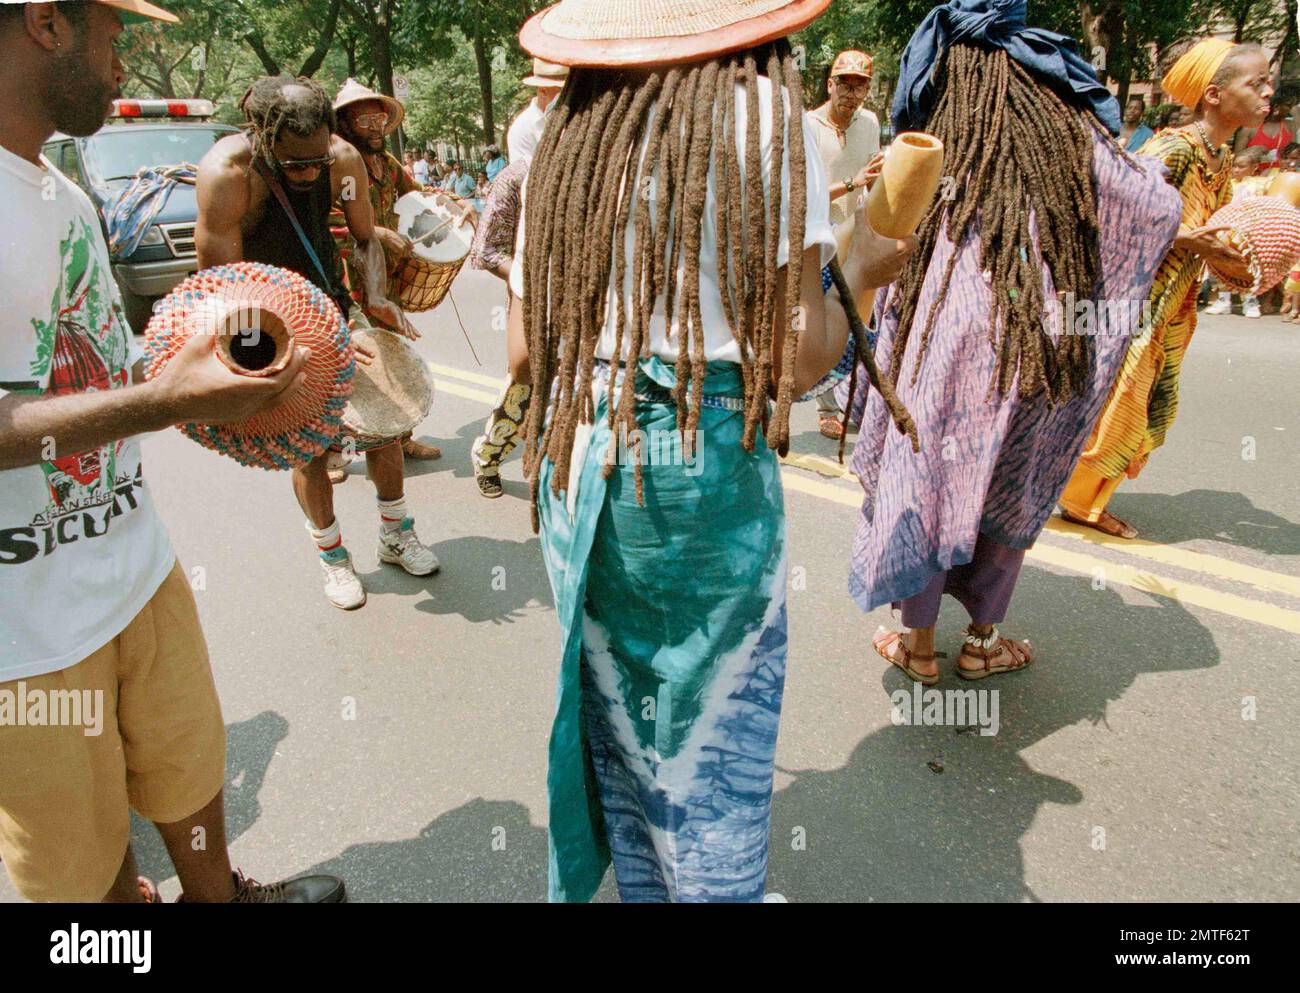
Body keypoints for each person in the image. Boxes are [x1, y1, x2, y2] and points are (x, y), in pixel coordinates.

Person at [511, 0, 915, 902]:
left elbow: (523, 353)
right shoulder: (766, 118)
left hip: (580, 453)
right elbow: (796, 362)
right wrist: (861, 268)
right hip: (698, 467)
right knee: (707, 735)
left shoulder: (565, 123)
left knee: (623, 709)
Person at [0, 0, 344, 904]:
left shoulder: (58, 188)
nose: (125, 62)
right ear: (46, 22)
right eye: (115, 35)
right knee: (80, 859)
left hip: (136, 565)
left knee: (186, 771)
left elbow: (108, 367)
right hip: (25, 634)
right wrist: (165, 399)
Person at [852, 0, 1183, 686]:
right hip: (1046, 343)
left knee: (932, 480)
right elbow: (1152, 207)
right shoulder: (1071, 132)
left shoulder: (943, 139)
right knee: (1013, 480)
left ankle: (917, 648)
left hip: (945, 343)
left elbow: (883, 242)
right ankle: (982, 642)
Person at [196, 76, 440, 610]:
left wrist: (375, 298)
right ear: (259, 135)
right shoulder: (226, 173)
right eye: (294, 165)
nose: (310, 172)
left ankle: (396, 534)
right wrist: (302, 340)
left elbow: (364, 238)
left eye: (316, 161)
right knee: (309, 447)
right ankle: (333, 557)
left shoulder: (343, 158)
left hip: (333, 297)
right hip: (263, 316)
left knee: (386, 424)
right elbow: (225, 287)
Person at [1060, 38, 1272, 539]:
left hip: (1171, 305)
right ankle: (1078, 501)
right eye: (1255, 83)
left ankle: (1071, 490)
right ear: (1215, 95)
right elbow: (1112, 206)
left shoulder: (1218, 156)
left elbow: (1208, 229)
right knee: (1120, 401)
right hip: (1130, 300)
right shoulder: (1175, 147)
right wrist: (1189, 241)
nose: (1267, 92)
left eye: (1267, 83)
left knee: (1148, 403)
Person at [331, 77, 444, 465]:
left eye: (379, 119)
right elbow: (330, 222)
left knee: (392, 356)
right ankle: (333, 451)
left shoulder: (386, 163)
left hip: (385, 277)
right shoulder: (340, 165)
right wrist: (378, 232)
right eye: (365, 121)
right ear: (345, 125)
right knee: (346, 364)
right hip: (347, 277)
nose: (376, 127)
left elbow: (417, 195)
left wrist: (454, 205)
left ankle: (398, 436)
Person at [807, 48, 884, 440]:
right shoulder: (808, 126)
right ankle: (826, 407)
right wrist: (854, 181)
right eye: (845, 84)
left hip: (853, 232)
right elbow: (803, 191)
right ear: (830, 85)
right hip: (816, 235)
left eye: (860, 86)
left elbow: (873, 174)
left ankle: (851, 398)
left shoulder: (869, 123)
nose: (851, 94)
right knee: (815, 319)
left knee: (854, 317)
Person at [1206, 146, 1269, 318]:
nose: (1236, 169)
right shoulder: (1227, 184)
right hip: (1226, 230)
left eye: (1241, 166)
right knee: (1223, 263)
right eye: (1234, 166)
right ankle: (1223, 299)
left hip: (1249, 231)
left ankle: (1250, 301)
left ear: (1254, 167)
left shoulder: (1260, 184)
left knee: (1247, 266)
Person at [506, 57, 567, 163]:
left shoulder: (566, 119)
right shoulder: (522, 128)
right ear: (543, 91)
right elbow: (525, 176)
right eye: (560, 90)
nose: (566, 95)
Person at [1237, 97, 1293, 171]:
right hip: (1252, 178)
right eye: (1288, 106)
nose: (1290, 110)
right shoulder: (1249, 128)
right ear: (1276, 107)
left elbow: (1294, 155)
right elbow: (1236, 158)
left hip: (1280, 177)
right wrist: (1251, 152)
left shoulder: (1289, 126)